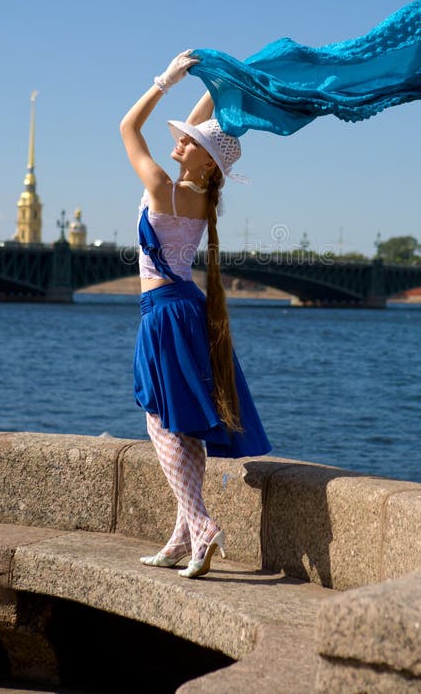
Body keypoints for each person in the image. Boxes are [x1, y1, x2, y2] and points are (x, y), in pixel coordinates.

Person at [119, 50, 271, 579]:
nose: (178, 140)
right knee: (184, 425)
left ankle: (202, 526)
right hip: (192, 313)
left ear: (203, 160)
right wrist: (210, 80)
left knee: (162, 423)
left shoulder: (161, 186)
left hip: (163, 314)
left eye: (188, 141)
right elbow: (205, 128)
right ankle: (183, 535)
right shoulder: (205, 200)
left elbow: (126, 126)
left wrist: (166, 78)